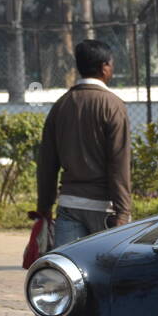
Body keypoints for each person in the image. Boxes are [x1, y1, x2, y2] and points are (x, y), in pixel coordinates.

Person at [35, 39, 132, 249]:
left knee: (69, 273)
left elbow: (47, 164)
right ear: (104, 67)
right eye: (111, 64)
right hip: (104, 209)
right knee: (106, 274)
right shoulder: (113, 106)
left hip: (69, 206)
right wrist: (123, 212)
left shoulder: (61, 105)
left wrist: (43, 209)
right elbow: (119, 164)